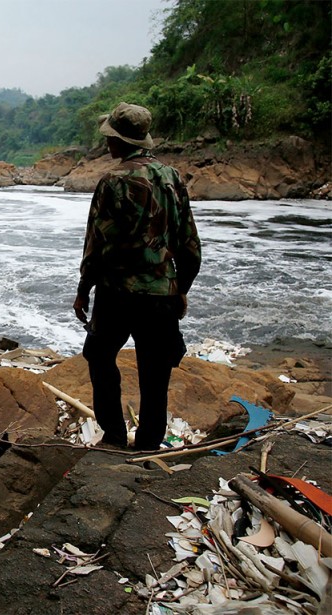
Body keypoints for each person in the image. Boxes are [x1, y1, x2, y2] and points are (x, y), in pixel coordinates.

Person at [73, 102, 202, 450]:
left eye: (109, 138)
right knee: (155, 371)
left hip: (117, 293)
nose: (106, 143)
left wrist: (84, 290)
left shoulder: (112, 181)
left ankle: (114, 436)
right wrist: (181, 288)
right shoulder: (172, 177)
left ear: (120, 142)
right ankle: (148, 444)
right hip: (161, 294)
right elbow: (189, 243)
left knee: (100, 357)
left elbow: (96, 243)